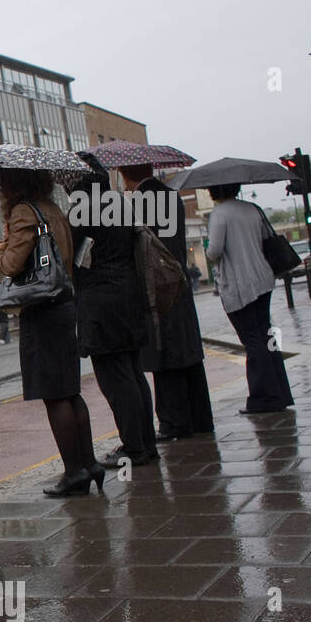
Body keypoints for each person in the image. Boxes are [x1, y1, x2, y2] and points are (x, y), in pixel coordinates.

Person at [0, 168, 104, 496]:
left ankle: (73, 472)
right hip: (64, 304)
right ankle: (90, 463)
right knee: (70, 391)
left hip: (41, 310)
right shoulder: (53, 209)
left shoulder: (24, 211)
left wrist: (0, 247)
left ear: (10, 183)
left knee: (55, 395)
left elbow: (12, 264)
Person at [67, 153, 158, 469]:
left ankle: (134, 448)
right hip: (129, 295)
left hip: (101, 302)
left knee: (116, 380)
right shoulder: (119, 202)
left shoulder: (82, 209)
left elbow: (71, 258)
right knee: (133, 373)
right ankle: (146, 442)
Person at [119, 162, 214, 439]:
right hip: (178, 280)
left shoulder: (139, 203)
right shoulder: (171, 196)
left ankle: (174, 422)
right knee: (187, 352)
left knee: (164, 353)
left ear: (125, 175)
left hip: (155, 284)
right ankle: (200, 418)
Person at [205, 183, 294, 414]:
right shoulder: (253, 208)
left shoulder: (219, 214)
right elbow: (265, 238)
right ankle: (280, 392)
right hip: (263, 278)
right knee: (266, 335)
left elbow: (214, 251)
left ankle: (263, 397)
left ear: (216, 191)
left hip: (239, 284)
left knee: (252, 341)